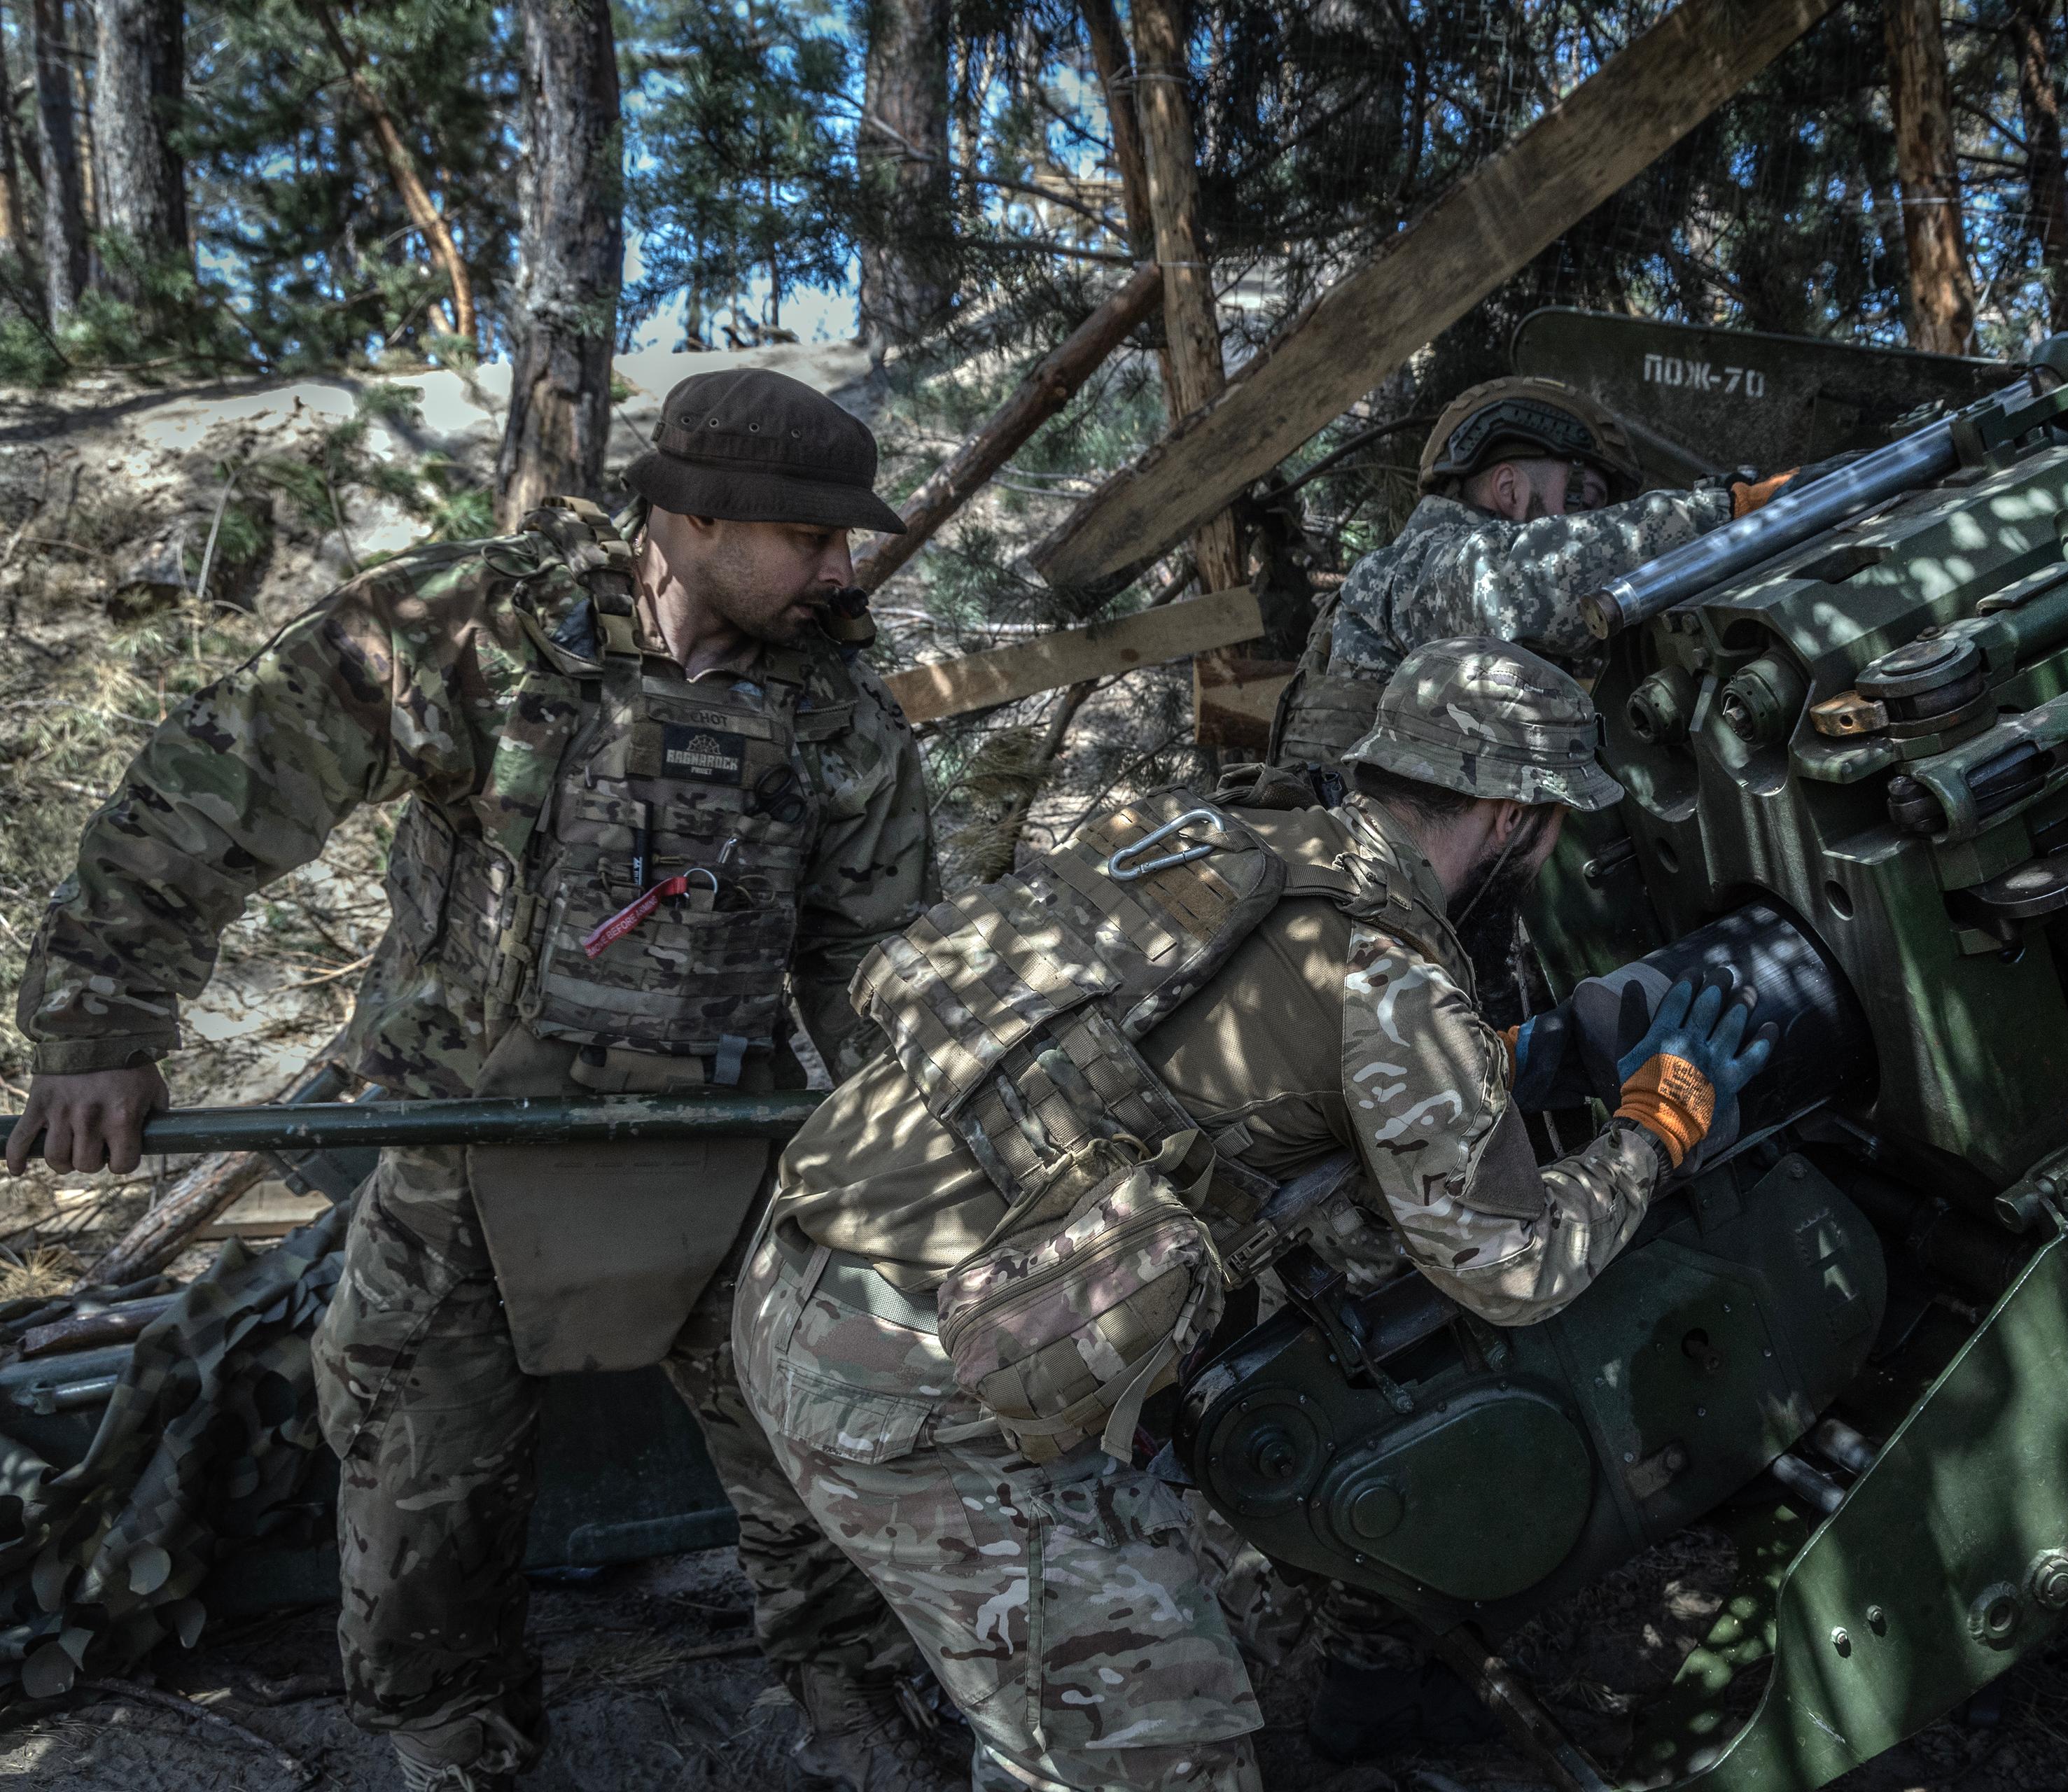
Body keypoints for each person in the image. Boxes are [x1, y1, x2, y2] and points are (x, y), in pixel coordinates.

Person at [8, 368, 939, 1792]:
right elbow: (219, 779)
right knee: (409, 1447)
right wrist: (94, 1025)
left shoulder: (842, 720)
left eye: (845, 541)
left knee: (833, 1432)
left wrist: (905, 1160)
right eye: (811, 538)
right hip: (460, 1131)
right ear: (688, 517)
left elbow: (875, 964)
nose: (844, 567)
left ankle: (851, 1703)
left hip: (716, 1133)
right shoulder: (473, 631)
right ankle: (458, 1738)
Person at [734, 638, 1775, 1791]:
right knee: (1152, 1762)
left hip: (813, 1270)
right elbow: (1513, 1269)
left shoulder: (1241, 846)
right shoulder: (1392, 976)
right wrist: (1655, 1131)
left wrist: (1499, 1076)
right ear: (1511, 814)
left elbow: (1241, 1083)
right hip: (918, 1387)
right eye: (1554, 826)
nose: (1553, 852)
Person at [1267, 375, 1797, 780]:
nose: (1591, 527)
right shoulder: (1405, 575)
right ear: (1508, 488)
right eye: (1586, 503)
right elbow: (1519, 583)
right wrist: (1728, 512)